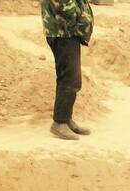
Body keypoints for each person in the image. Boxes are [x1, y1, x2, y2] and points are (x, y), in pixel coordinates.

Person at [40, 0, 94, 141]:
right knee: (69, 78)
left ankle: (66, 118)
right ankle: (60, 123)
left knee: (71, 77)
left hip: (67, 31)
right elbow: (64, 5)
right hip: (62, 32)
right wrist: (80, 18)